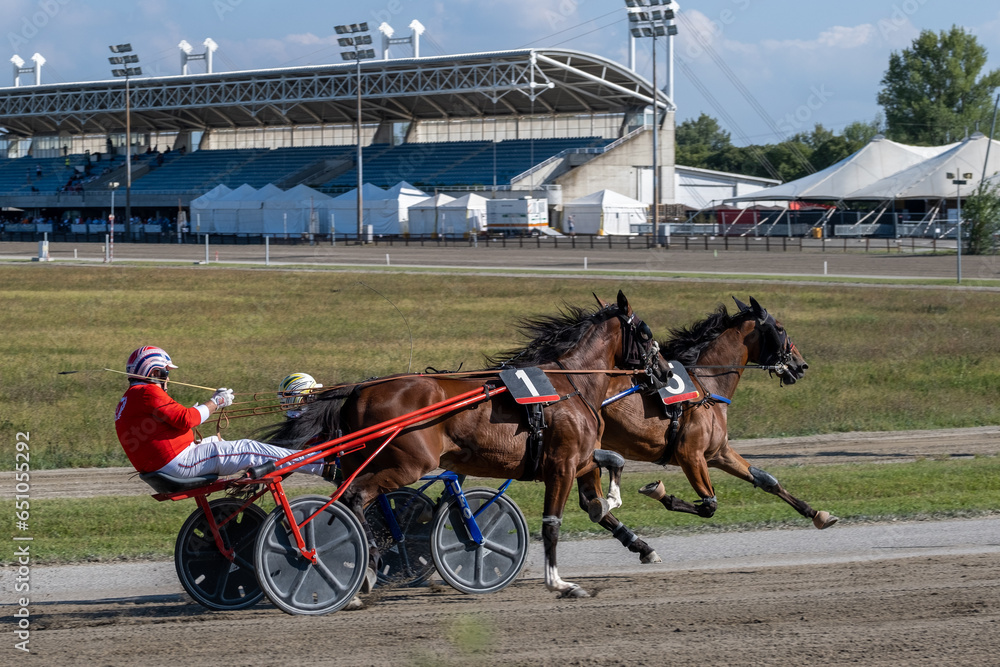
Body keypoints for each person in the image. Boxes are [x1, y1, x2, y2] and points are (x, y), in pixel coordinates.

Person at [114, 346, 334, 480]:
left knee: (227, 444)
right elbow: (186, 419)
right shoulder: (147, 392)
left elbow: (174, 422)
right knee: (249, 448)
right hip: (180, 463)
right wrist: (215, 402)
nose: (168, 378)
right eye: (165, 372)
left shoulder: (130, 398)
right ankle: (323, 466)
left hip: (172, 462)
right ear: (153, 372)